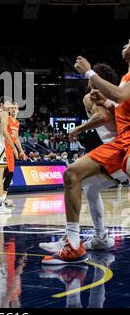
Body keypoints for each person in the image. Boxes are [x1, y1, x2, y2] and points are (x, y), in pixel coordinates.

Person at [41, 41, 130, 264]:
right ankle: (79, 242)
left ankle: (83, 239)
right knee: (76, 178)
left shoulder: (116, 86)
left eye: (129, 43)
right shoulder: (124, 79)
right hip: (120, 145)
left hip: (123, 144)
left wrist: (89, 72)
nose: (125, 45)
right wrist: (109, 104)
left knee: (81, 181)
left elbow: (119, 99)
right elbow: (119, 105)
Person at [3, 102, 27, 208]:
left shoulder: (17, 123)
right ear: (9, 110)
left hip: (12, 150)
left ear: (18, 110)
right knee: (3, 173)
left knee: (10, 174)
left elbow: (16, 138)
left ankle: (3, 198)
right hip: (4, 148)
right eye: (11, 108)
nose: (13, 110)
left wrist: (21, 150)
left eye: (15, 108)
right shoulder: (6, 119)